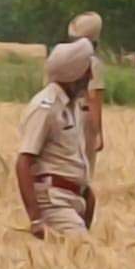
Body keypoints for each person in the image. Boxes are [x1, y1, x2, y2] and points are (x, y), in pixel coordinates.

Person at [16, 39, 96, 239]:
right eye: (87, 71)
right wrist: (35, 219)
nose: (91, 77)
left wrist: (86, 192)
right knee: (84, 252)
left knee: (82, 254)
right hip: (54, 202)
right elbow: (23, 162)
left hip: (74, 200)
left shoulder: (73, 105)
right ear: (73, 73)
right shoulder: (45, 107)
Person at [67, 12, 106, 180]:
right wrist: (98, 132)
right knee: (85, 164)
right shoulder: (93, 62)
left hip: (63, 112)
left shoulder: (60, 58)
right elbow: (93, 97)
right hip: (83, 113)